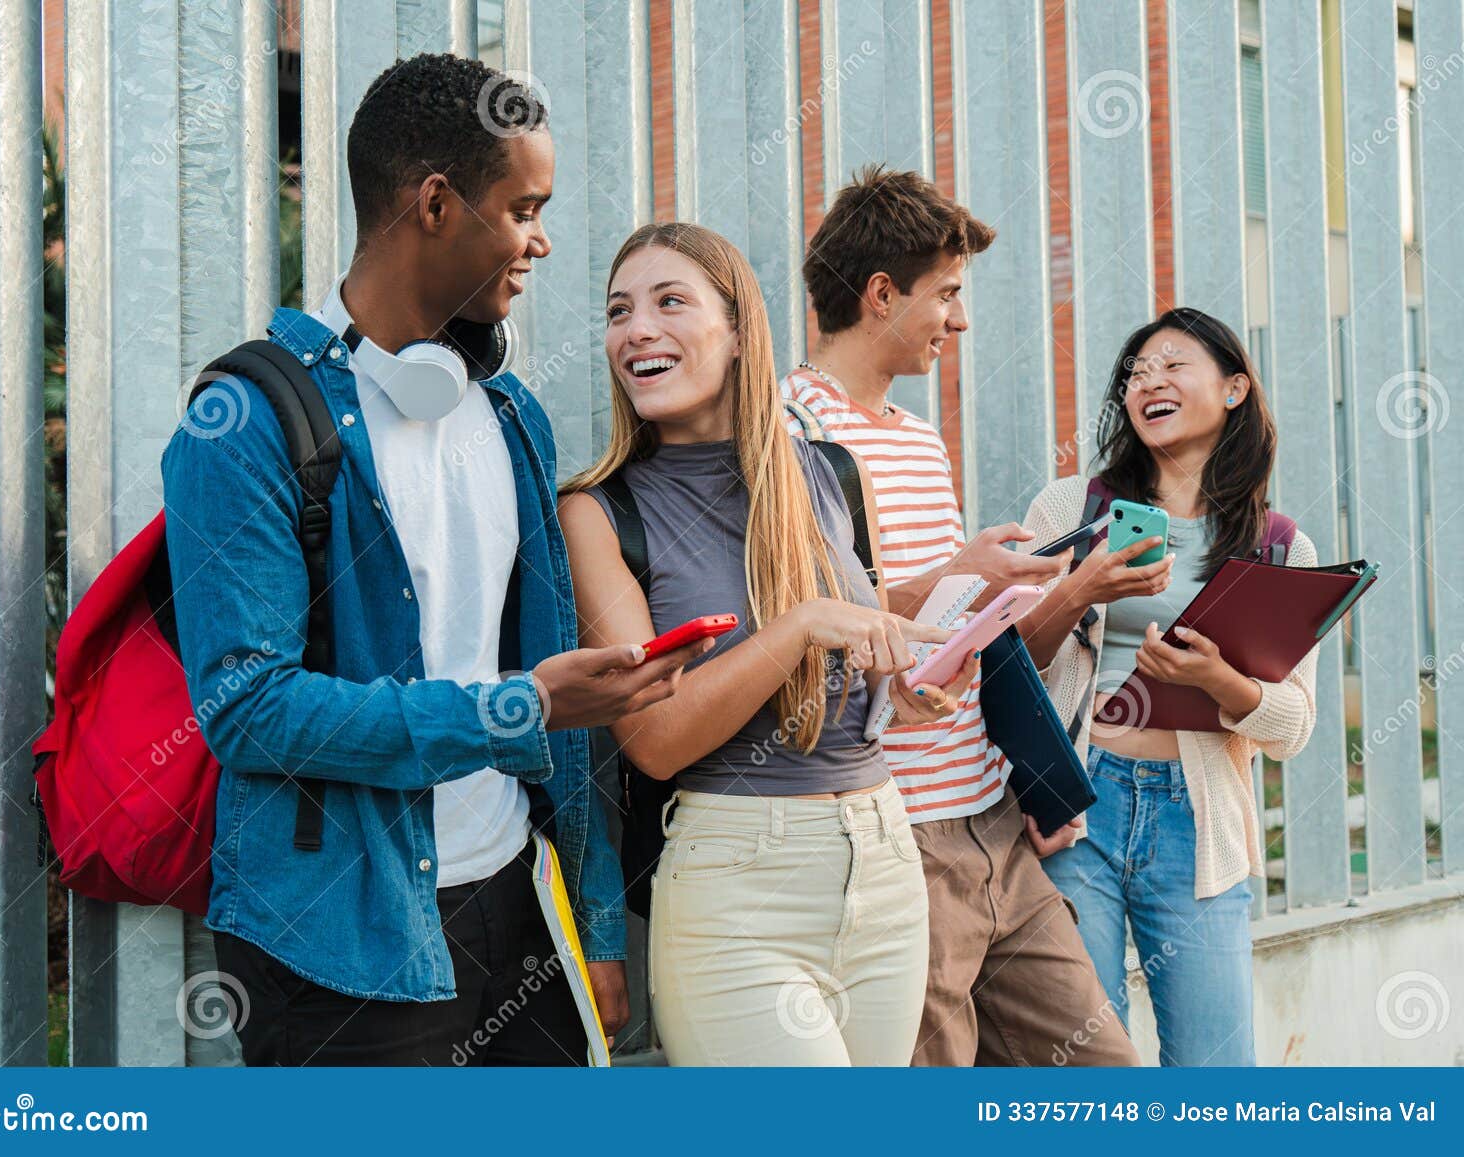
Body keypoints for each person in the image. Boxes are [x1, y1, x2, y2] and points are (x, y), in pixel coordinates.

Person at [161, 53, 702, 1066]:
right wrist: (512, 707)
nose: (542, 240)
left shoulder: (511, 417)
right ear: (437, 204)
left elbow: (556, 701)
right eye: (524, 207)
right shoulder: (241, 424)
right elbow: (246, 706)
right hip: (342, 943)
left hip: (518, 906)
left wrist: (586, 919)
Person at [559, 221, 970, 1065]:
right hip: (735, 886)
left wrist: (913, 689)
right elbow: (654, 741)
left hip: (885, 860)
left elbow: (863, 670)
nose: (636, 329)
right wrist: (800, 627)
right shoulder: (600, 513)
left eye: (670, 301)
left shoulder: (836, 475)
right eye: (618, 311)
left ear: (740, 330)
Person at [780, 165, 1139, 1066]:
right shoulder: (786, 428)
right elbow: (791, 617)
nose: (961, 319)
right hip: (898, 837)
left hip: (995, 821)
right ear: (879, 294)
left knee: (1109, 1074)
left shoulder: (917, 438)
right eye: (946, 294)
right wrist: (958, 572)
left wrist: (1028, 593)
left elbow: (947, 632)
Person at [1019, 307, 1319, 1066]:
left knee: (1214, 1075)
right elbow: (1012, 662)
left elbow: (1293, 728)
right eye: (1136, 373)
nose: (1148, 381)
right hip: (1078, 804)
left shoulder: (1278, 546)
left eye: (1173, 364)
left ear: (1234, 390)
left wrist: (1218, 679)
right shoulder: (1072, 511)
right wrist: (1079, 588)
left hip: (1198, 816)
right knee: (1085, 1065)